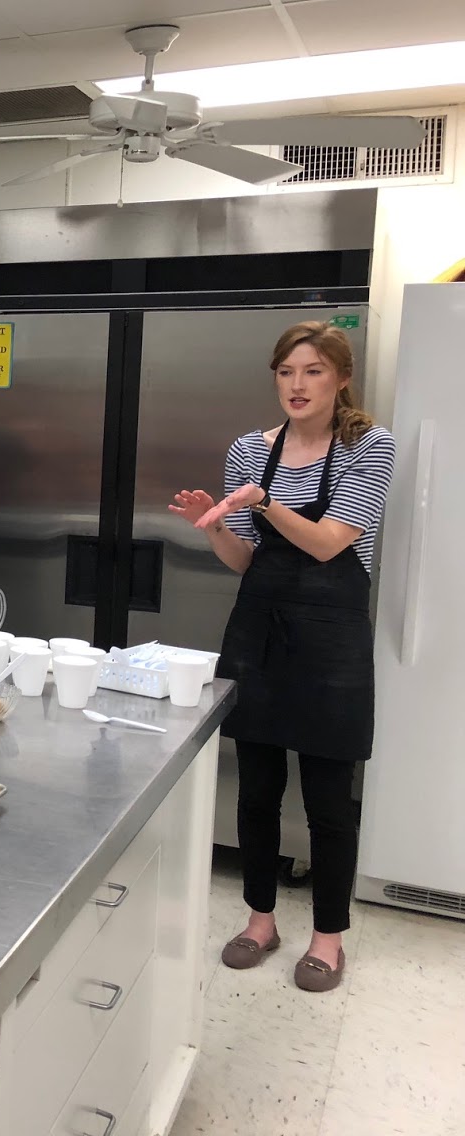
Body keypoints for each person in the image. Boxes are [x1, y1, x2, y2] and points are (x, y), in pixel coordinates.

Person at [170, 320, 394, 993]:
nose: (298, 386)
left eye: (314, 372)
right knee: (258, 787)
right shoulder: (248, 449)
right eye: (287, 372)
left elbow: (329, 543)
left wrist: (264, 503)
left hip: (332, 641)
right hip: (260, 631)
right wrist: (211, 527)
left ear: (341, 378)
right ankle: (259, 919)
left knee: (328, 797)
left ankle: (328, 937)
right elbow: (245, 558)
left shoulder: (369, 447)